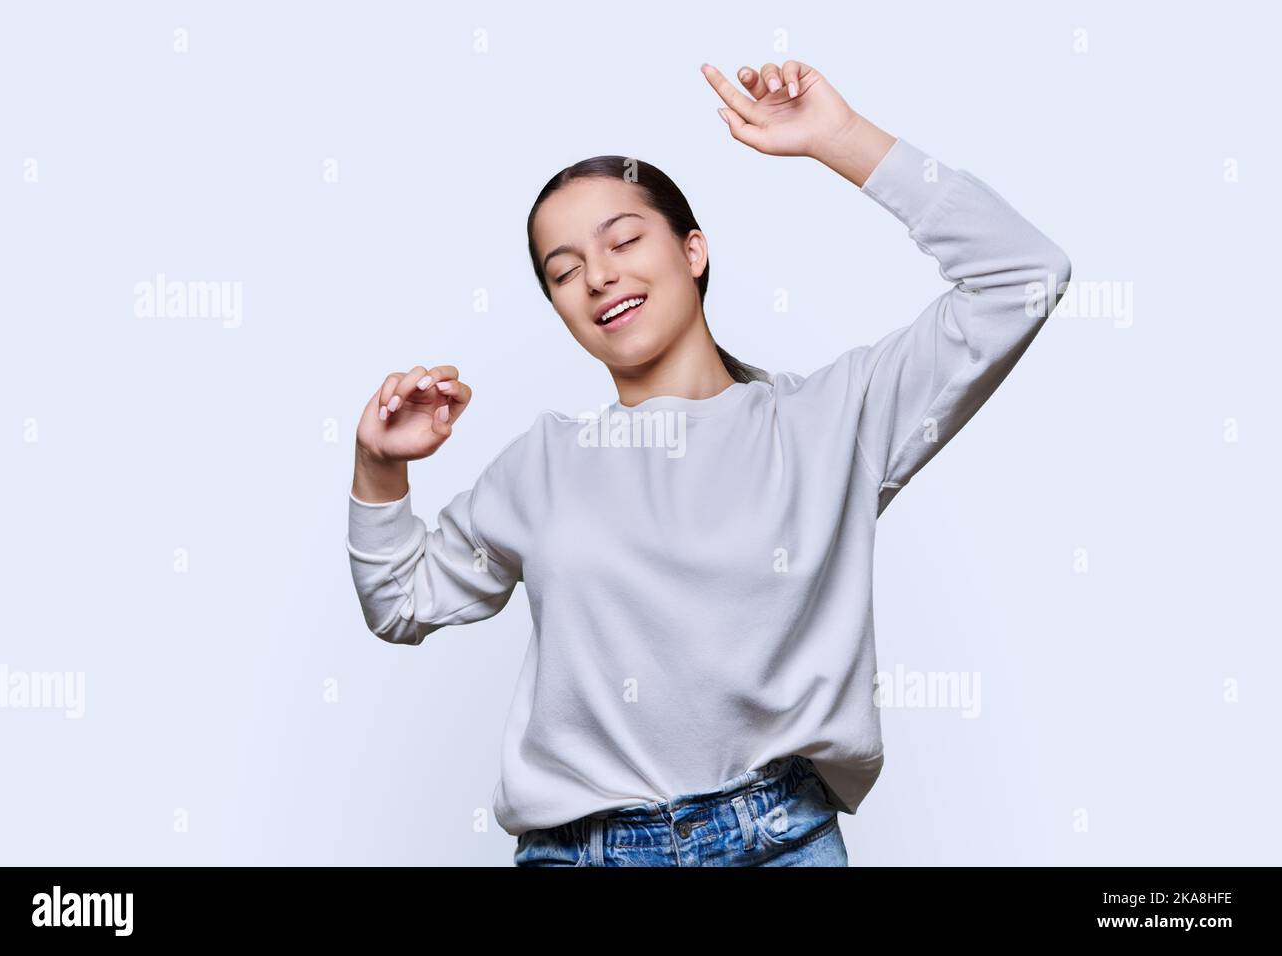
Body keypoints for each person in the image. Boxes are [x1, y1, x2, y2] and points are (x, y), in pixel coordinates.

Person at [346, 59, 1072, 866]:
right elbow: (399, 602)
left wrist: (841, 139)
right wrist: (379, 465)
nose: (599, 275)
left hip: (780, 843)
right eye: (563, 270)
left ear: (693, 250)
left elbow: (1023, 276)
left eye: (623, 239)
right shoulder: (543, 465)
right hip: (582, 853)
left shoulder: (831, 422)